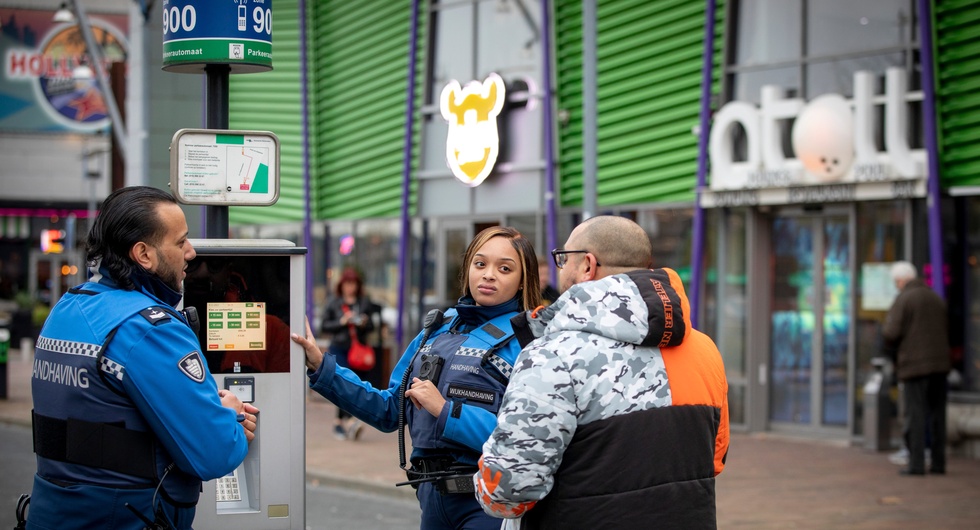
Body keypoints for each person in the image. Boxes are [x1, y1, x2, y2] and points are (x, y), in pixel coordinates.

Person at [475, 215, 730, 530]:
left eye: (563, 259)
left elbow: (506, 491)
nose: (561, 269)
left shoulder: (552, 355)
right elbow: (715, 458)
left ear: (587, 265)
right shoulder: (705, 350)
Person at [26, 186, 258, 530]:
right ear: (143, 254)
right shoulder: (150, 328)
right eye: (180, 242)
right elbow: (214, 454)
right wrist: (230, 416)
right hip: (124, 519)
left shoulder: (69, 307)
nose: (191, 253)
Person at [292, 226, 540, 530]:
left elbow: (525, 439)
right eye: (480, 263)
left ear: (522, 280)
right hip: (431, 498)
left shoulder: (530, 343)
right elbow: (388, 409)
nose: (489, 274)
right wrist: (321, 366)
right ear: (467, 270)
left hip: (485, 504)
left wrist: (445, 410)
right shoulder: (437, 328)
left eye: (504, 268)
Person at [882, 261, 950, 476]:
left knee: (916, 414)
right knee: (938, 414)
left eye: (896, 282)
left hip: (914, 366)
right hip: (940, 365)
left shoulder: (904, 299)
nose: (896, 285)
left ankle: (917, 463)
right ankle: (939, 463)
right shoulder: (935, 297)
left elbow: (891, 332)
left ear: (901, 280)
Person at [319, 267, 378, 440]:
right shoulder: (334, 302)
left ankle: (341, 421)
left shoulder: (363, 302)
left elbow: (372, 326)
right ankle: (348, 420)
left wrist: (363, 323)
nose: (350, 287)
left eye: (353, 284)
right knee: (343, 382)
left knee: (356, 384)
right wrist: (343, 322)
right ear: (342, 285)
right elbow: (324, 326)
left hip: (358, 351)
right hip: (339, 348)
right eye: (347, 283)